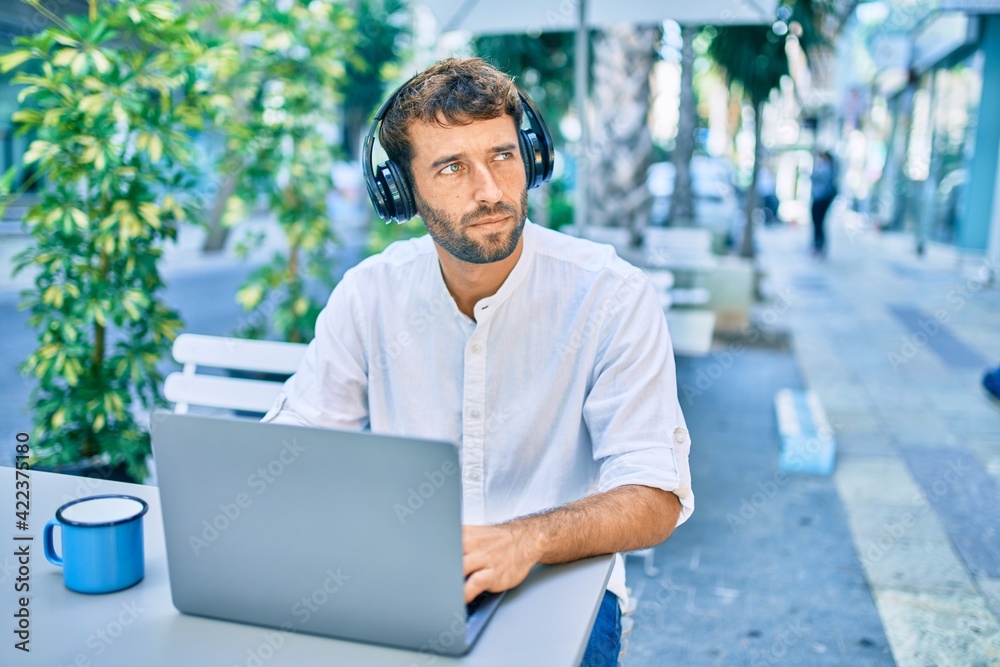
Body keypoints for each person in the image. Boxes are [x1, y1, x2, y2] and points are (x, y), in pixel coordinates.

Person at [262, 57, 693, 666]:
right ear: (402, 191)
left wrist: (526, 539)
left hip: (560, 582)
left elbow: (655, 494)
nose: (490, 190)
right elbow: (296, 444)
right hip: (405, 581)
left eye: (501, 156)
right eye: (451, 167)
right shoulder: (369, 294)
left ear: (532, 158)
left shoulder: (611, 295)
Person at [810, 150, 838, 255]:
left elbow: (816, 177)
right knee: (819, 222)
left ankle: (818, 246)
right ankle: (818, 245)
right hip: (821, 198)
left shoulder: (825, 167)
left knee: (818, 222)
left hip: (821, 198)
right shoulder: (830, 167)